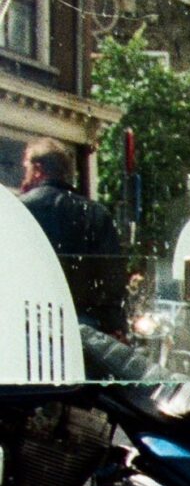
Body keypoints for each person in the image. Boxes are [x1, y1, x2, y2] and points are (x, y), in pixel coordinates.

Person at [19, 138, 127, 339]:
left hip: (27, 324)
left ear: (37, 169)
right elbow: (112, 276)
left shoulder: (18, 210)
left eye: (26, 168)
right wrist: (115, 325)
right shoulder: (96, 213)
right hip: (83, 328)